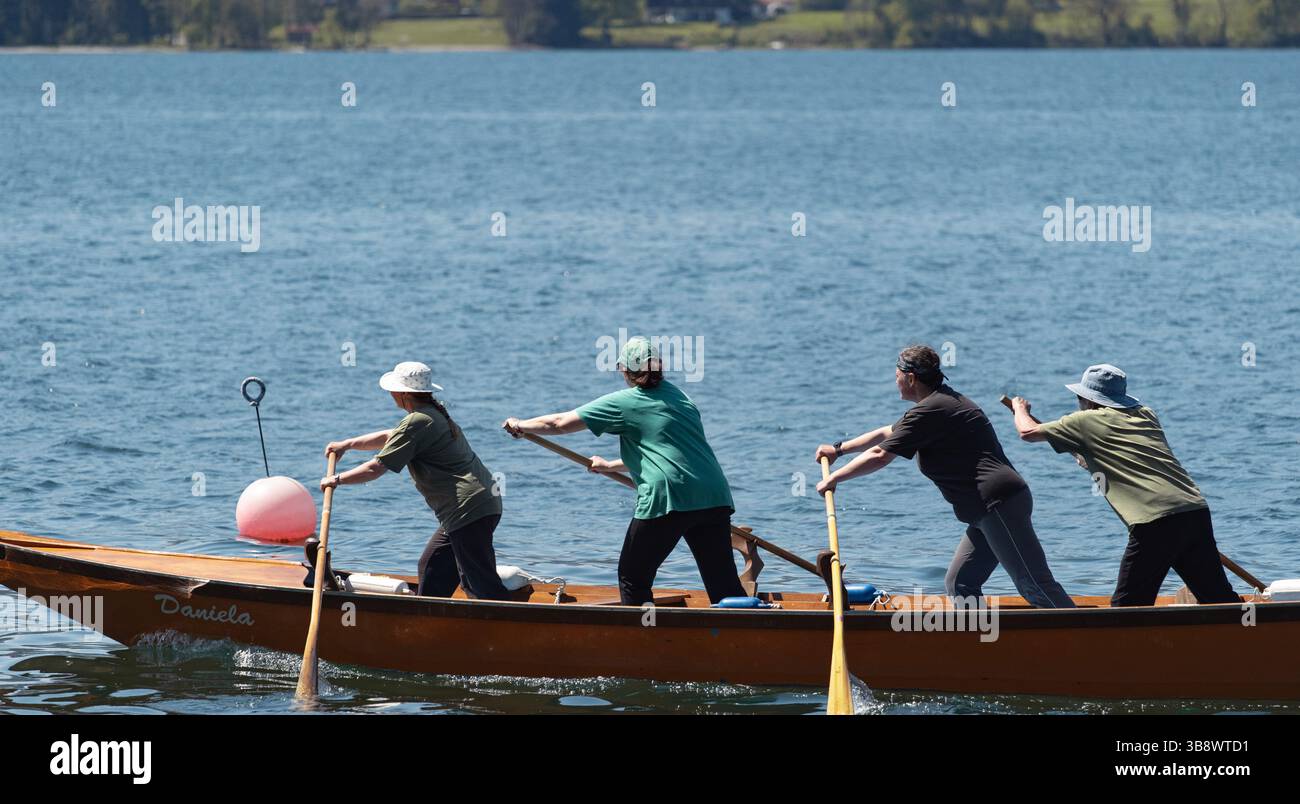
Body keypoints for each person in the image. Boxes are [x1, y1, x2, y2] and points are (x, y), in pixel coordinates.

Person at [815, 345, 1075, 609]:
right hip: (985, 510)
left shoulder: (933, 409)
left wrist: (834, 479)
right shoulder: (935, 405)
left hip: (998, 504)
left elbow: (881, 455)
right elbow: (886, 434)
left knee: (1033, 582)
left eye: (896, 374)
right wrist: (838, 449)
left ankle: (1082, 637)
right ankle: (982, 642)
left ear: (911, 378)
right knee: (960, 583)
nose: (894, 380)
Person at [502, 337, 746, 606]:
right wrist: (610, 465)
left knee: (633, 576)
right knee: (723, 581)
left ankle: (642, 639)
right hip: (713, 495)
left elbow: (560, 423)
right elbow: (667, 451)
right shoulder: (680, 396)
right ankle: (746, 636)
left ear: (624, 370)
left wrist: (520, 424)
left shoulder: (626, 402)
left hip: (668, 498)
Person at [1009, 363, 1240, 607]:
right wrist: (1088, 459)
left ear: (1088, 399)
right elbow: (1136, 454)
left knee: (1127, 606)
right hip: (1194, 511)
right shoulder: (1146, 414)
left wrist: (1019, 408)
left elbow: (1027, 431)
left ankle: (1119, 643)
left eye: (1079, 397)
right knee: (1218, 599)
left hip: (1154, 521)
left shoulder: (1084, 421)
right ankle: (1249, 633)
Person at [321, 361, 510, 601]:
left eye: (392, 390)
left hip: (468, 508)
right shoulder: (428, 415)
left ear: (402, 393)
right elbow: (388, 437)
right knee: (432, 568)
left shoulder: (419, 421)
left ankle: (511, 627)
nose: (390, 395)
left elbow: (376, 468)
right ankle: (424, 621)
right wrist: (347, 444)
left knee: (479, 583)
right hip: (474, 506)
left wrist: (336, 480)